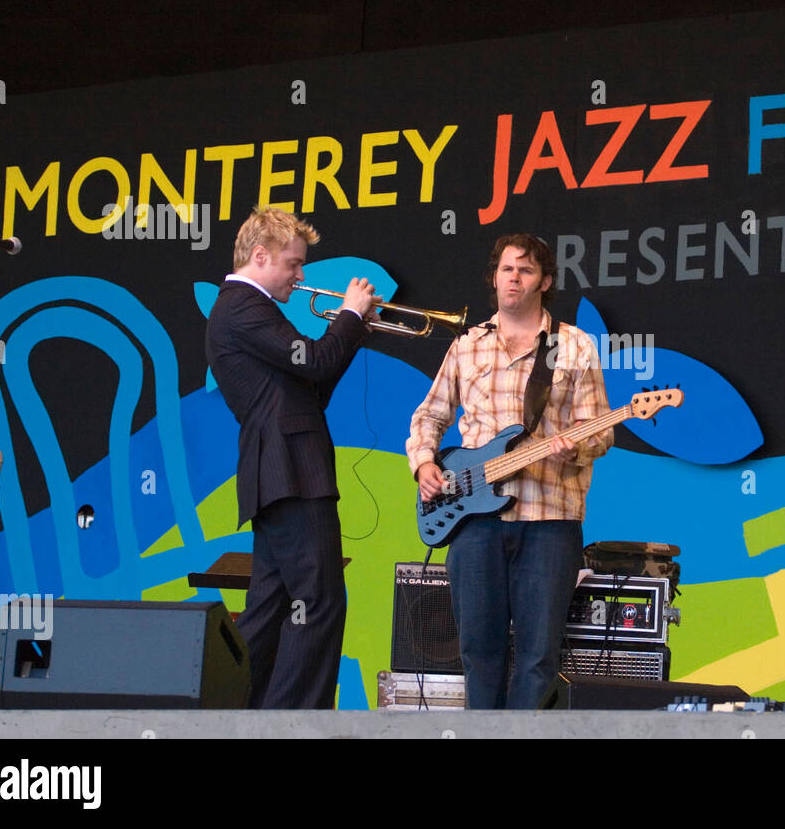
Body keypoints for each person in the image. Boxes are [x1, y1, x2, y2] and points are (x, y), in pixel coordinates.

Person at [406, 234, 612, 709]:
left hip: (550, 519)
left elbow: (599, 431)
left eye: (525, 269)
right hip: (473, 519)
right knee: (479, 652)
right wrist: (424, 464)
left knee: (539, 656)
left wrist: (572, 450)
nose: (513, 277)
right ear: (494, 278)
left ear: (546, 281)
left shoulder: (574, 345)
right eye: (505, 269)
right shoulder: (468, 345)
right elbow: (430, 415)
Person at [205, 206, 377, 709]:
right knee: (319, 602)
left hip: (279, 472)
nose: (301, 277)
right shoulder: (244, 306)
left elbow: (311, 385)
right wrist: (348, 314)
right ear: (260, 256)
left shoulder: (245, 309)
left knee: (270, 606)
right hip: (292, 472)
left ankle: (234, 710)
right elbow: (316, 360)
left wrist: (355, 327)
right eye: (293, 264)